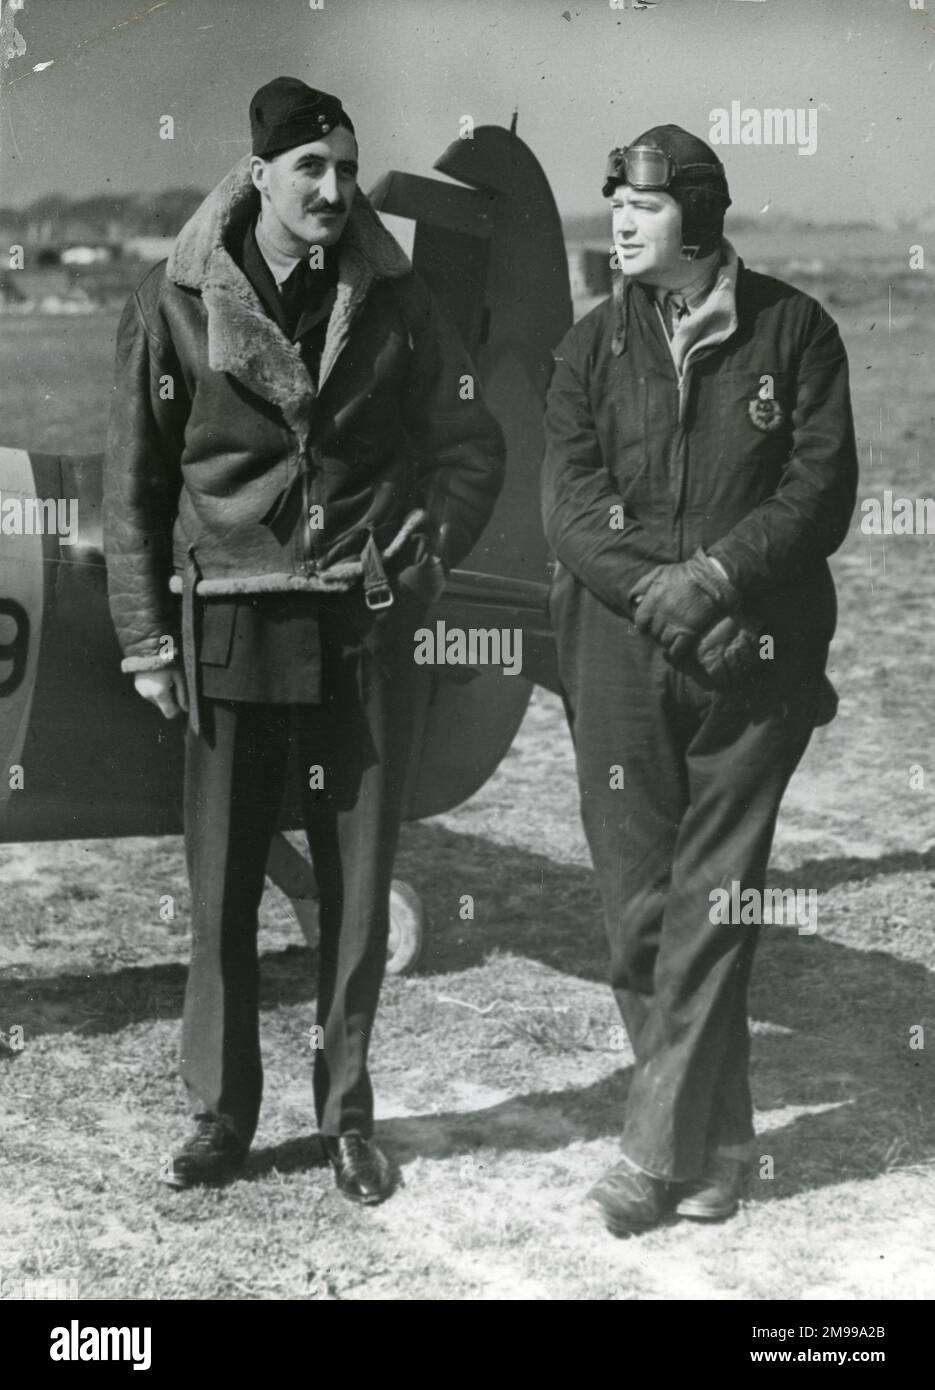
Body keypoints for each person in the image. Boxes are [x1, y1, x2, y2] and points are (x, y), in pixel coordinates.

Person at [104, 77, 505, 1204]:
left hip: (362, 627)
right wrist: (146, 640)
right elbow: (134, 490)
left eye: (345, 165)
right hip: (230, 619)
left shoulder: (398, 299)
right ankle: (220, 1117)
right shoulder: (173, 302)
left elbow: (471, 444)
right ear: (261, 176)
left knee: (356, 880)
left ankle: (347, 1116)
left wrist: (422, 558)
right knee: (224, 886)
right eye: (311, 170)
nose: (334, 189)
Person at [541, 125, 857, 1235]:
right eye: (614, 199)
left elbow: (818, 493)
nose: (620, 219)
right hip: (618, 653)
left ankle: (647, 1154)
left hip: (753, 661)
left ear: (701, 216)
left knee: (711, 906)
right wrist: (664, 598)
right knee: (636, 917)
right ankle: (716, 1142)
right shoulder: (586, 349)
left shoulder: (796, 332)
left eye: (645, 203)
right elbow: (570, 507)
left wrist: (718, 581)